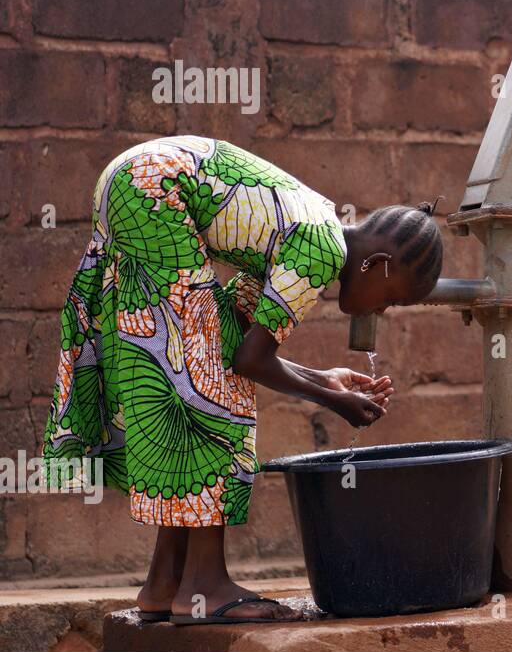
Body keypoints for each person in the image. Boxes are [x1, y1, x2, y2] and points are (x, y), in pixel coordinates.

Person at [41, 135, 444, 622]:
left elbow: (238, 344)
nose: (381, 310)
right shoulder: (319, 250)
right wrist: (331, 401)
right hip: (153, 187)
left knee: (191, 373)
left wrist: (324, 377)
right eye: (391, 298)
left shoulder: (312, 223)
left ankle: (163, 583)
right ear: (377, 265)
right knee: (212, 398)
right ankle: (205, 587)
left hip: (135, 180)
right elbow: (249, 363)